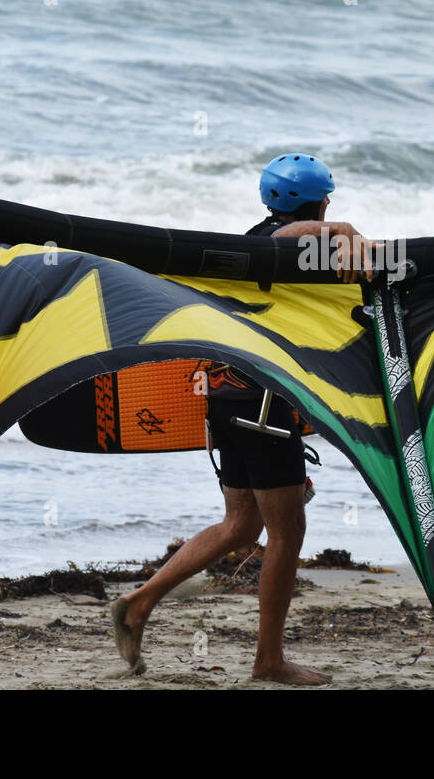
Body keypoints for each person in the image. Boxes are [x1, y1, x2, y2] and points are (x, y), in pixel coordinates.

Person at [111, 153, 373, 685]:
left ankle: (137, 605)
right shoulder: (282, 245)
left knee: (241, 524)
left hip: (233, 398)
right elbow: (282, 242)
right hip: (261, 405)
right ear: (321, 203)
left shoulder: (261, 238)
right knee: (287, 532)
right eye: (328, 206)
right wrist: (338, 230)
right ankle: (269, 661)